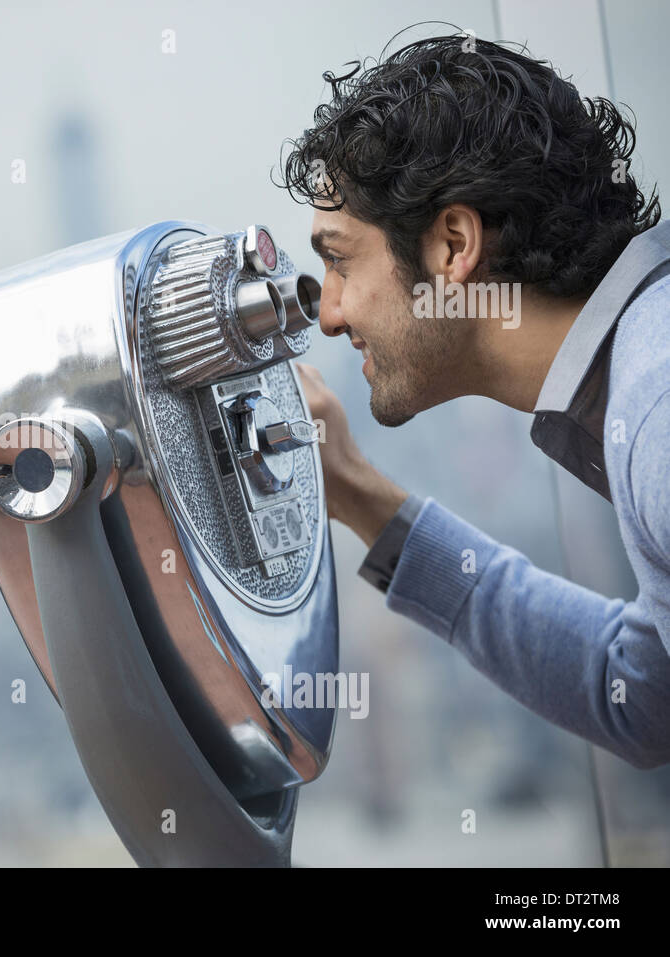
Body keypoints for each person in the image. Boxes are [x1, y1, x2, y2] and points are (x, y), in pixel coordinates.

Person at [277, 32, 670, 768]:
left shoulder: (658, 406)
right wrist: (360, 495)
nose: (328, 313)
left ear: (453, 245)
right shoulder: (641, 379)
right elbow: (640, 693)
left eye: (338, 258)